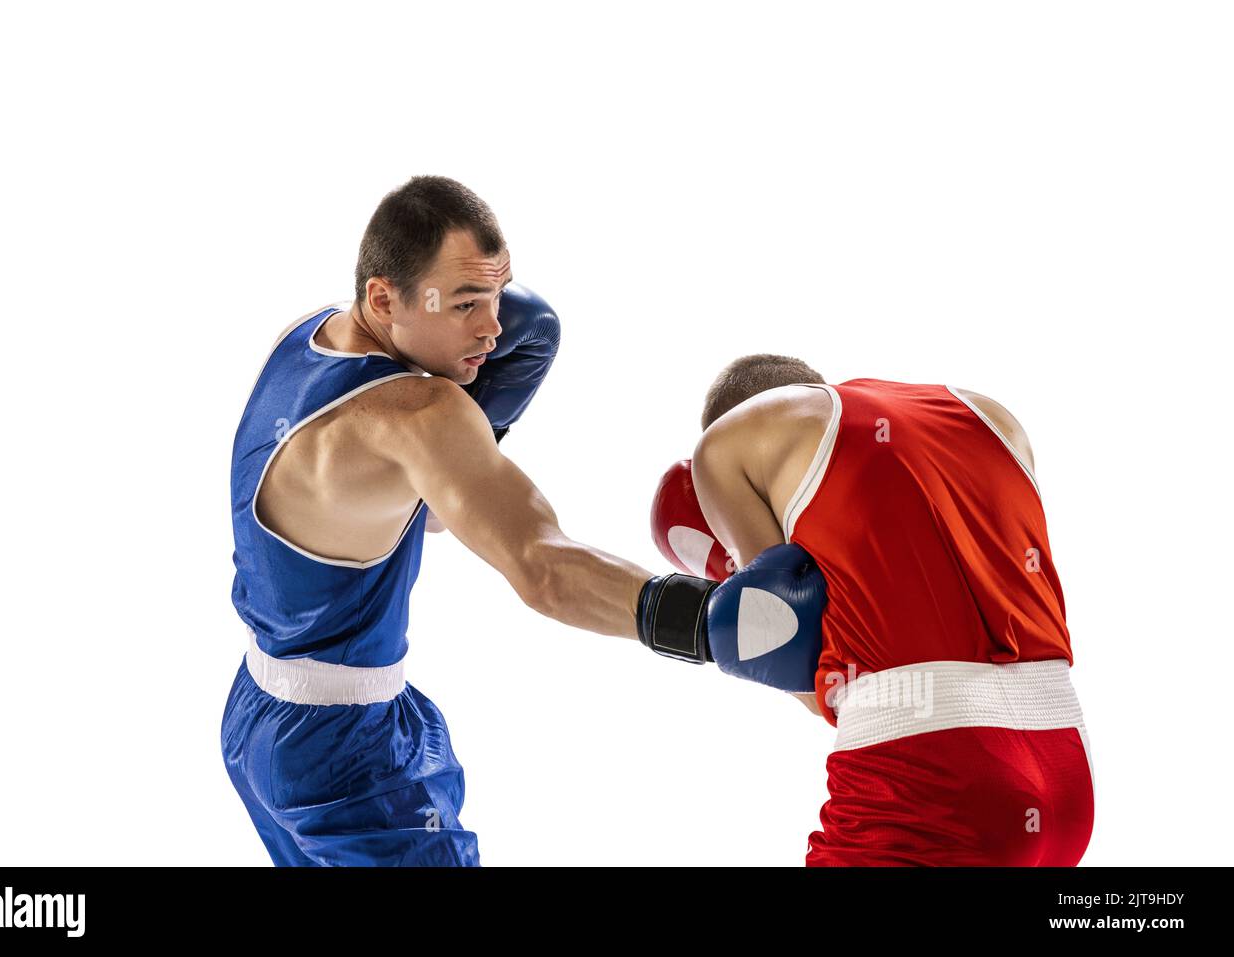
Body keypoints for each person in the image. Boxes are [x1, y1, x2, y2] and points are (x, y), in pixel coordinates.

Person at [221, 178, 821, 866]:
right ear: (384, 298)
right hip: (347, 756)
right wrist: (712, 623)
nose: (496, 328)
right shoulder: (420, 415)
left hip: (259, 721)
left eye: (497, 293)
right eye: (468, 302)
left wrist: (473, 433)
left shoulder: (307, 337)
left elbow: (428, 512)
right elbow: (542, 567)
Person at [649, 354, 1095, 865]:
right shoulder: (989, 416)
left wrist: (728, 588)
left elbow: (791, 650)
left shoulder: (727, 444)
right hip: (1068, 773)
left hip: (925, 778)